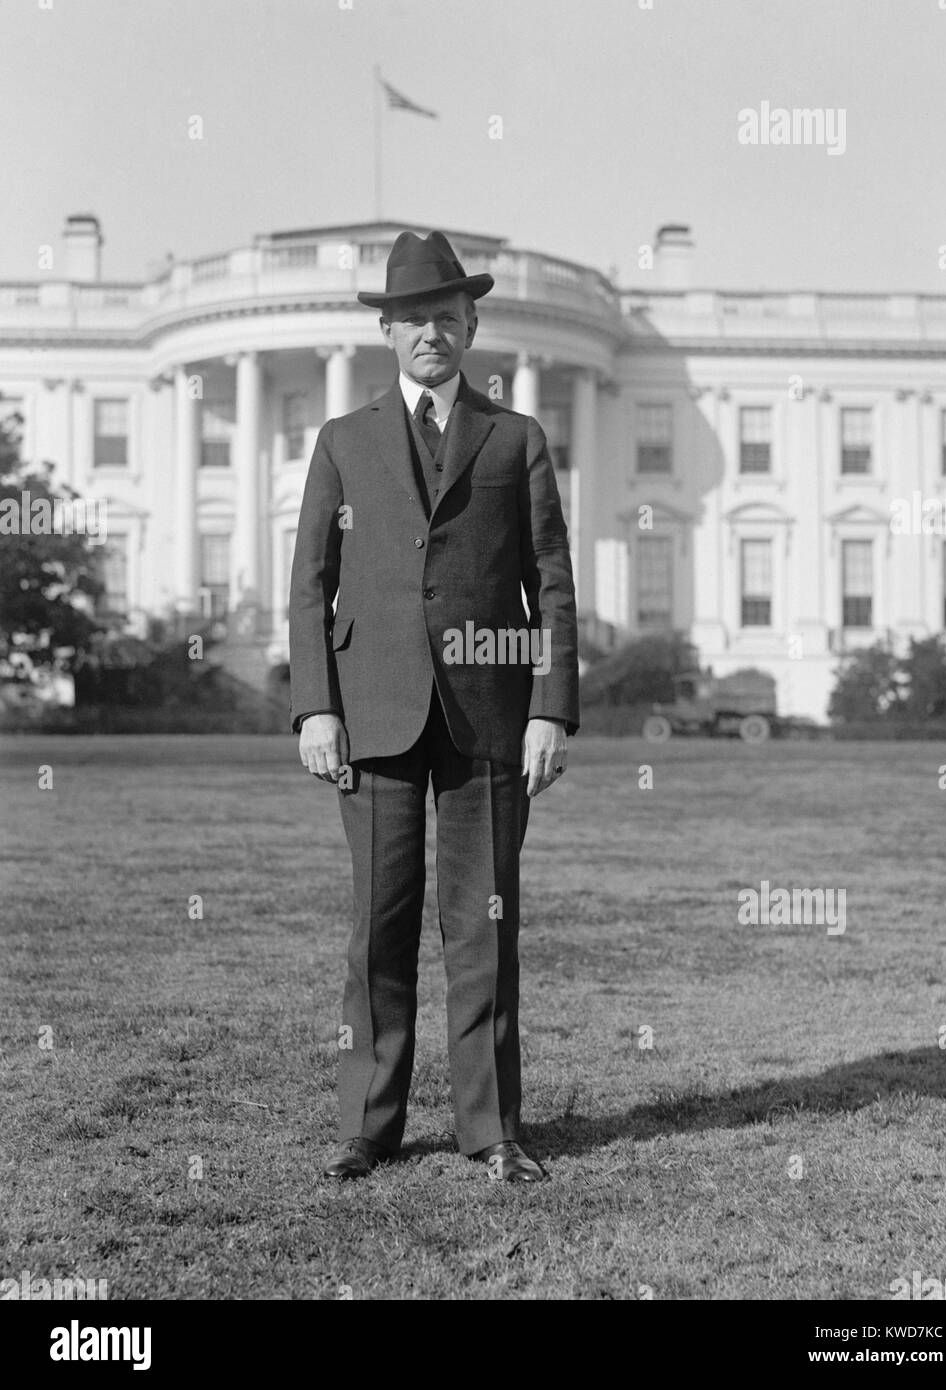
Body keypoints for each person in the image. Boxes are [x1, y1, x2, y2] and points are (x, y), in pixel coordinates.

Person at [289, 229, 579, 1182]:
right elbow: (310, 587)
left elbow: (552, 583)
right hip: (368, 712)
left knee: (483, 924)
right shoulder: (343, 441)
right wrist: (314, 709)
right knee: (377, 922)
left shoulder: (517, 438)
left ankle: (492, 1129)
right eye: (412, 318)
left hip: (490, 716)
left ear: (471, 326)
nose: (430, 334)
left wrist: (550, 709)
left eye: (445, 317)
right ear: (387, 331)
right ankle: (366, 1129)